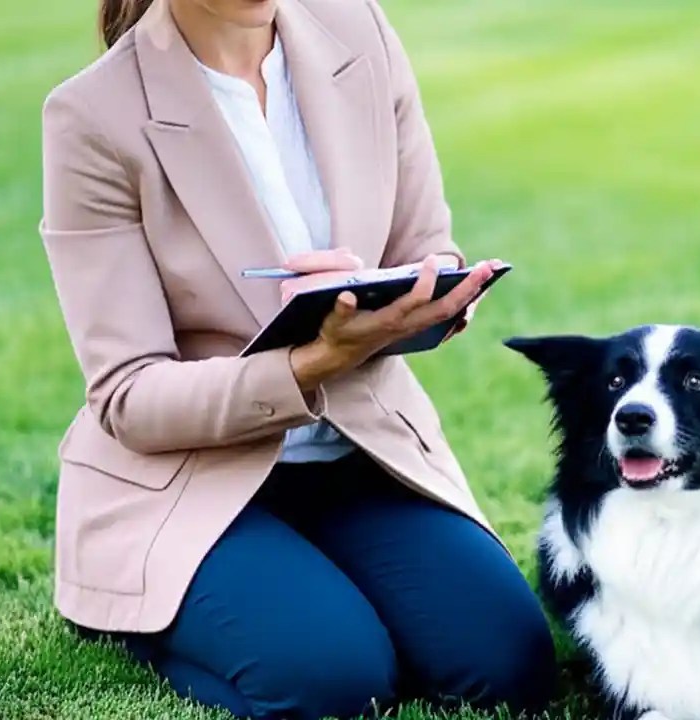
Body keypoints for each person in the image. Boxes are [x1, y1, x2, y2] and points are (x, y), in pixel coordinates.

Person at [38, 0, 556, 717]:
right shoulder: (92, 115)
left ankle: (317, 599)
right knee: (339, 684)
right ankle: (135, 608)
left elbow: (425, 241)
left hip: (356, 455)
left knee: (510, 664)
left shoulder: (358, 30)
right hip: (194, 480)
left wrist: (431, 292)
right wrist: (309, 362)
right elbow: (128, 395)